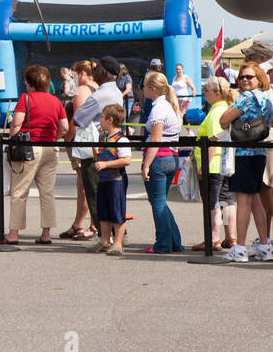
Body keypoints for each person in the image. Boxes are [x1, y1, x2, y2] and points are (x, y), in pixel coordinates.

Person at [4, 64, 68, 244]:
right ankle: (46, 233)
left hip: (29, 148)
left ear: (30, 82)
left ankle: (14, 233)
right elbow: (64, 127)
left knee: (19, 191)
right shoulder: (55, 101)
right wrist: (54, 137)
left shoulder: (25, 98)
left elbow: (16, 124)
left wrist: (11, 143)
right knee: (47, 192)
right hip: (50, 148)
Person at [219, 62, 273, 262]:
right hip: (259, 152)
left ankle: (240, 248)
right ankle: (264, 246)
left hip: (243, 154)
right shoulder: (265, 99)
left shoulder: (245, 98)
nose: (244, 80)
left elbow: (223, 120)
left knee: (243, 201)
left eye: (249, 77)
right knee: (256, 200)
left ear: (259, 79)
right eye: (242, 77)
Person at [70, 57, 126, 245]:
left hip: (95, 149)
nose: (95, 70)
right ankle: (115, 235)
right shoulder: (116, 91)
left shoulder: (98, 95)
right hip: (112, 146)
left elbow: (79, 118)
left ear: (103, 72)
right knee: (112, 194)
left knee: (94, 192)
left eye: (98, 68)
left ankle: (103, 236)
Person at [139, 71, 184, 253]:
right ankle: (174, 241)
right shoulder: (169, 106)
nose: (142, 90)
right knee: (161, 202)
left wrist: (146, 165)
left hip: (159, 158)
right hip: (171, 158)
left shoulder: (158, 109)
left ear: (152, 89)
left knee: (157, 203)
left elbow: (155, 140)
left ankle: (163, 243)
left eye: (144, 86)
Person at [192, 76, 237, 251]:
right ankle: (230, 236)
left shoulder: (216, 112)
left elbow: (213, 141)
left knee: (212, 203)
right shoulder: (225, 108)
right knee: (226, 200)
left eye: (206, 90)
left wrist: (203, 165)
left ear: (217, 93)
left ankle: (213, 238)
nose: (204, 92)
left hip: (212, 164)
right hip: (224, 163)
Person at [63, 60, 100, 240]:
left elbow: (77, 120)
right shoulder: (99, 88)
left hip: (83, 142)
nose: (74, 78)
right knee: (88, 186)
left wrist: (67, 139)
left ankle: (92, 224)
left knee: (85, 186)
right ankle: (79, 223)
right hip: (96, 140)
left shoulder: (82, 91)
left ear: (82, 74)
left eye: (74, 74)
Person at [90, 103, 133, 256]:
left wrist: (106, 163)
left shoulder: (121, 140)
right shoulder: (103, 137)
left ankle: (118, 243)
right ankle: (104, 242)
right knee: (104, 212)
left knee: (117, 212)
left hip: (116, 181)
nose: (100, 120)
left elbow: (126, 160)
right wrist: (97, 155)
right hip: (104, 180)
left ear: (110, 119)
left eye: (102, 117)